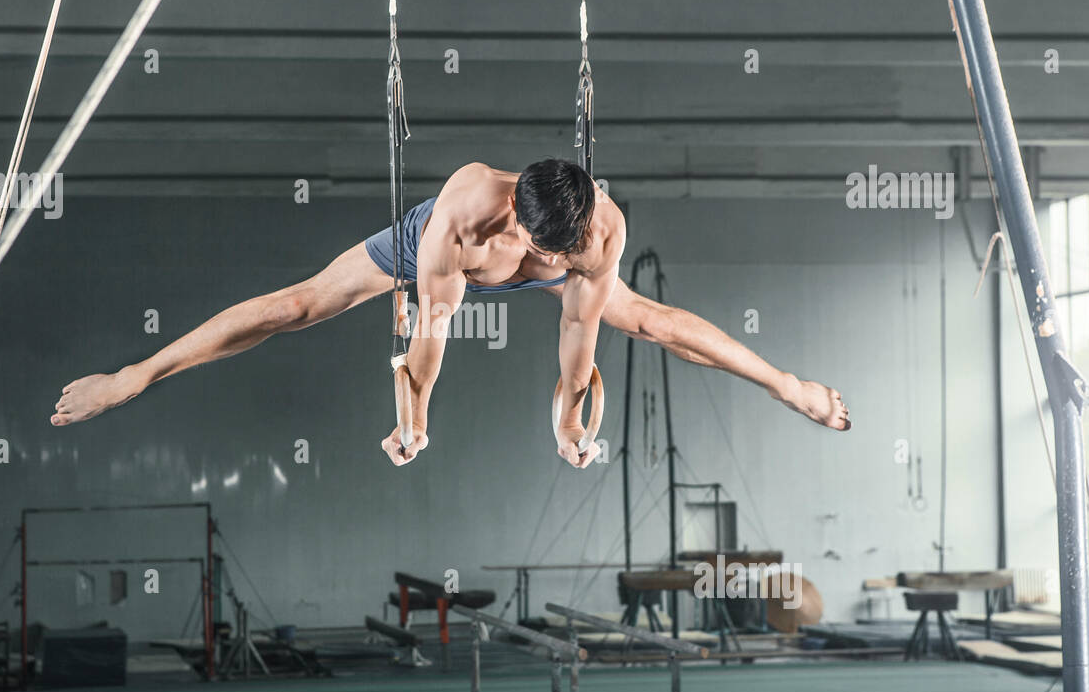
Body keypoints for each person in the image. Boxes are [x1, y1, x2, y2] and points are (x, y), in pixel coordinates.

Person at [50, 159, 850, 466]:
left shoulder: (597, 230)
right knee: (298, 305)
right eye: (546, 246)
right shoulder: (462, 219)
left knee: (658, 323)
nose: (557, 259)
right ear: (519, 219)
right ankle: (136, 374)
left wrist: (567, 424)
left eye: (567, 249)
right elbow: (427, 340)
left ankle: (788, 385)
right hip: (430, 258)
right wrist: (416, 418)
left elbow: (582, 332)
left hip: (536, 270)